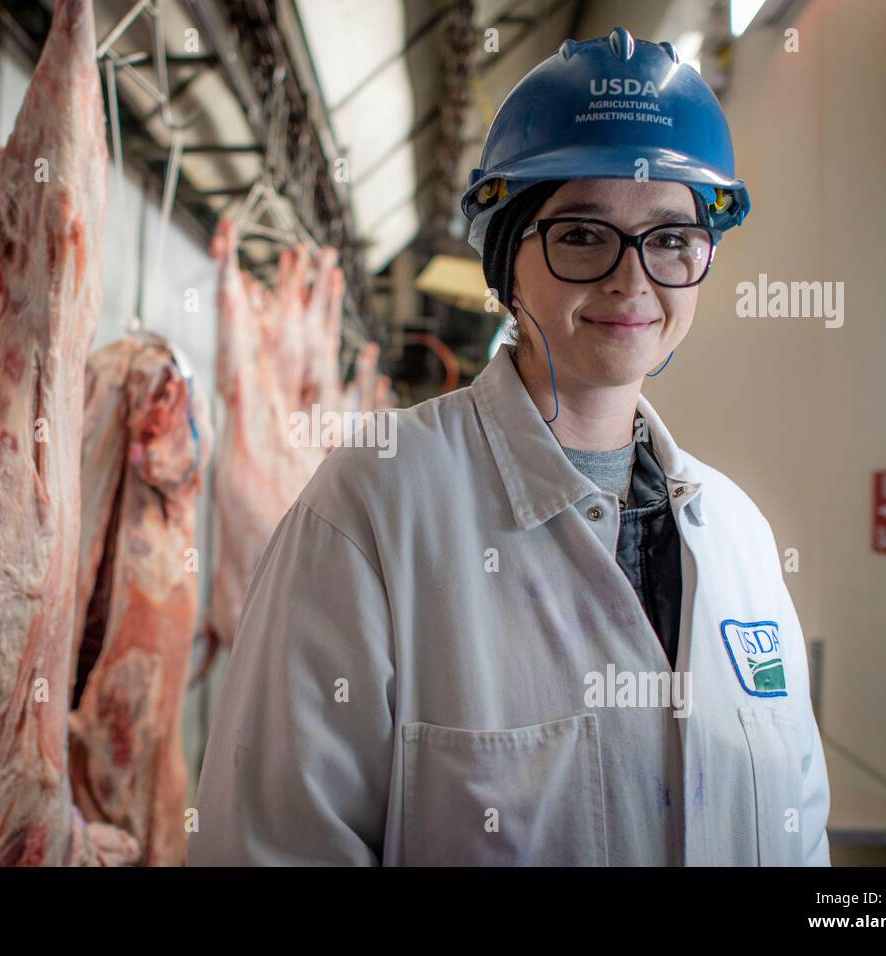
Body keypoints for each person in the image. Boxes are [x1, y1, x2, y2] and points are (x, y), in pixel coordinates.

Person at [188, 27, 830, 866]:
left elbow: (803, 836)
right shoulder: (372, 508)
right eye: (582, 235)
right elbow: (270, 846)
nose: (632, 280)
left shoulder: (738, 536)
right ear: (506, 260)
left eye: (670, 238)